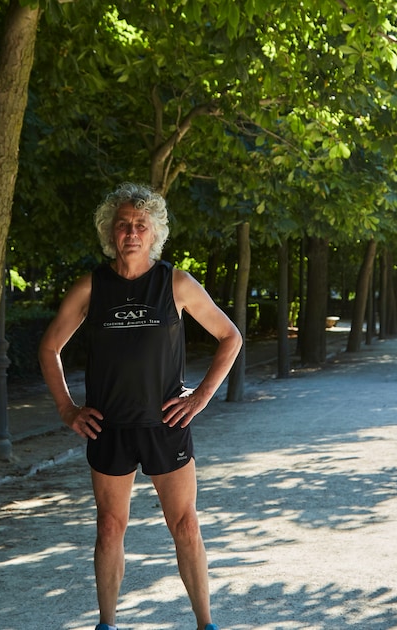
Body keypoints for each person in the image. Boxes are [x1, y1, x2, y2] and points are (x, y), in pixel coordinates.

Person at [38, 182, 242, 630]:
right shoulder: (92, 286)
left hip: (164, 425)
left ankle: (205, 624)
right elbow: (49, 347)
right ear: (110, 232)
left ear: (154, 234)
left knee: (185, 525)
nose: (131, 232)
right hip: (108, 428)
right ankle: (107, 624)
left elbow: (231, 337)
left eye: (140, 225)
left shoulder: (176, 283)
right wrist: (67, 409)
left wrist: (202, 397)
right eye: (123, 225)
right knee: (109, 528)